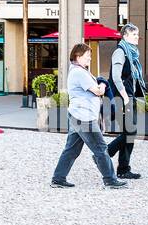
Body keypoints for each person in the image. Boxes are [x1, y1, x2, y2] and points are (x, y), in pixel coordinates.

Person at [51, 43, 127, 189]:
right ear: (78, 56)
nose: (90, 59)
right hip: (83, 117)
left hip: (77, 115)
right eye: (87, 56)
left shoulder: (78, 70)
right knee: (100, 148)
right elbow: (97, 91)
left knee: (71, 149)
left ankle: (58, 178)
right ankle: (110, 180)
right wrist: (104, 84)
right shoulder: (79, 72)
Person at [105, 23, 147, 179]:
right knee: (130, 131)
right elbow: (116, 77)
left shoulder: (133, 54)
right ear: (125, 36)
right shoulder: (120, 52)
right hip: (122, 98)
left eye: (137, 34)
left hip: (130, 97)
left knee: (129, 132)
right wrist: (124, 97)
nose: (137, 37)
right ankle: (104, 154)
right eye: (134, 34)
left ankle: (123, 169)